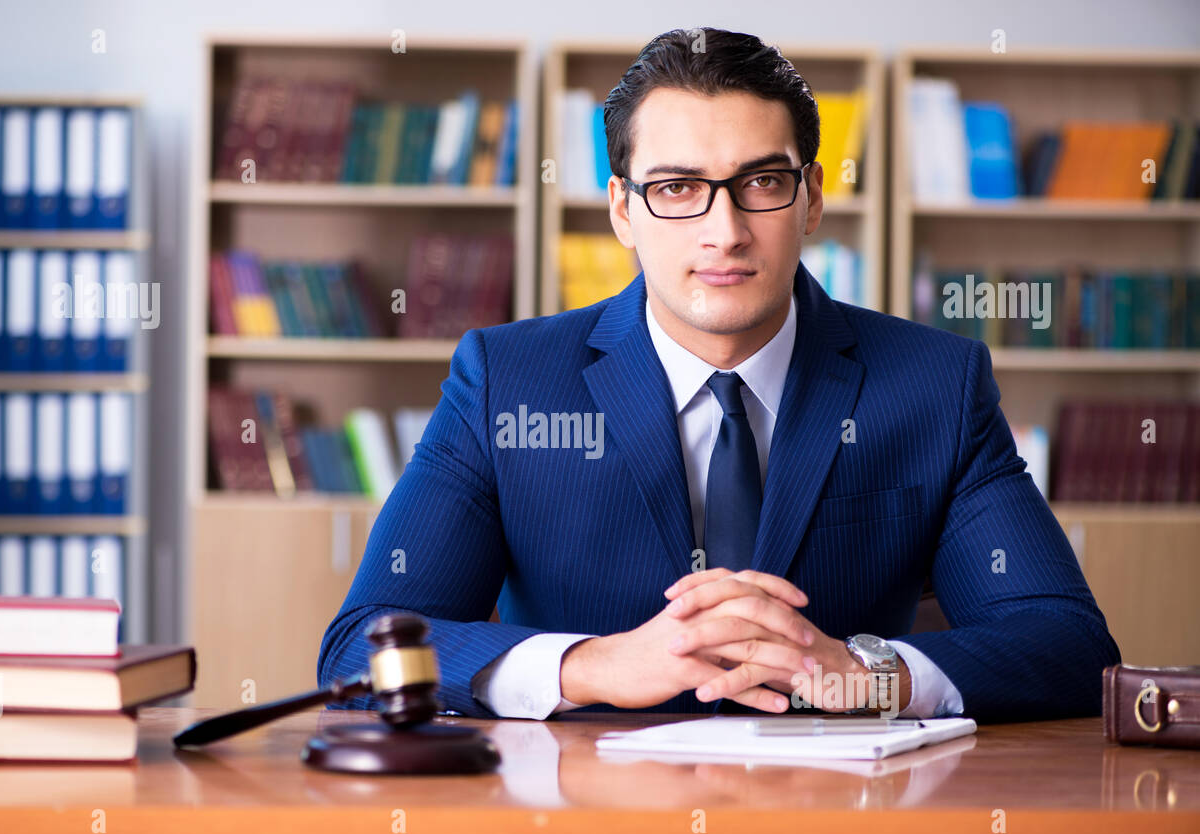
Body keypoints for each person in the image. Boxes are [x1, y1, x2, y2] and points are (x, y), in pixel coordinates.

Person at [317, 27, 1119, 723]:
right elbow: (363, 644)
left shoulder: (934, 386)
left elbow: (1069, 644)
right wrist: (593, 666)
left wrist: (871, 675)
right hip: (581, 815)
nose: (724, 231)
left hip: (841, 815)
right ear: (623, 211)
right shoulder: (507, 382)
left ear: (810, 201)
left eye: (761, 183)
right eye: (676, 188)